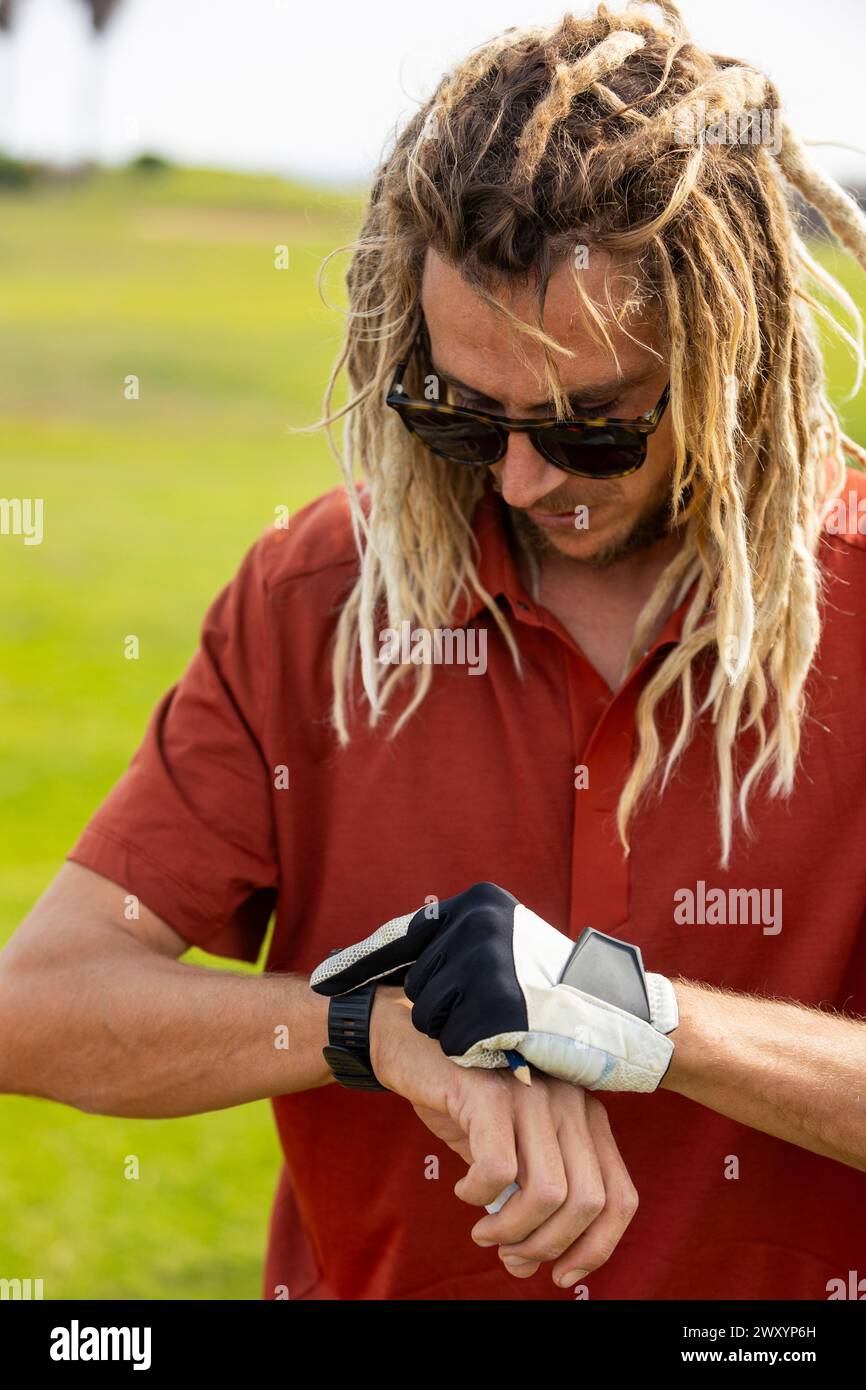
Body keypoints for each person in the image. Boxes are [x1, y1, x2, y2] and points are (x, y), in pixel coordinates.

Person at [3, 1, 866, 1301]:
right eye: (460, 416)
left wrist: (644, 1025)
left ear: (725, 356)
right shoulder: (318, 599)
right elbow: (43, 1005)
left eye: (592, 428)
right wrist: (365, 1028)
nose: (519, 480)